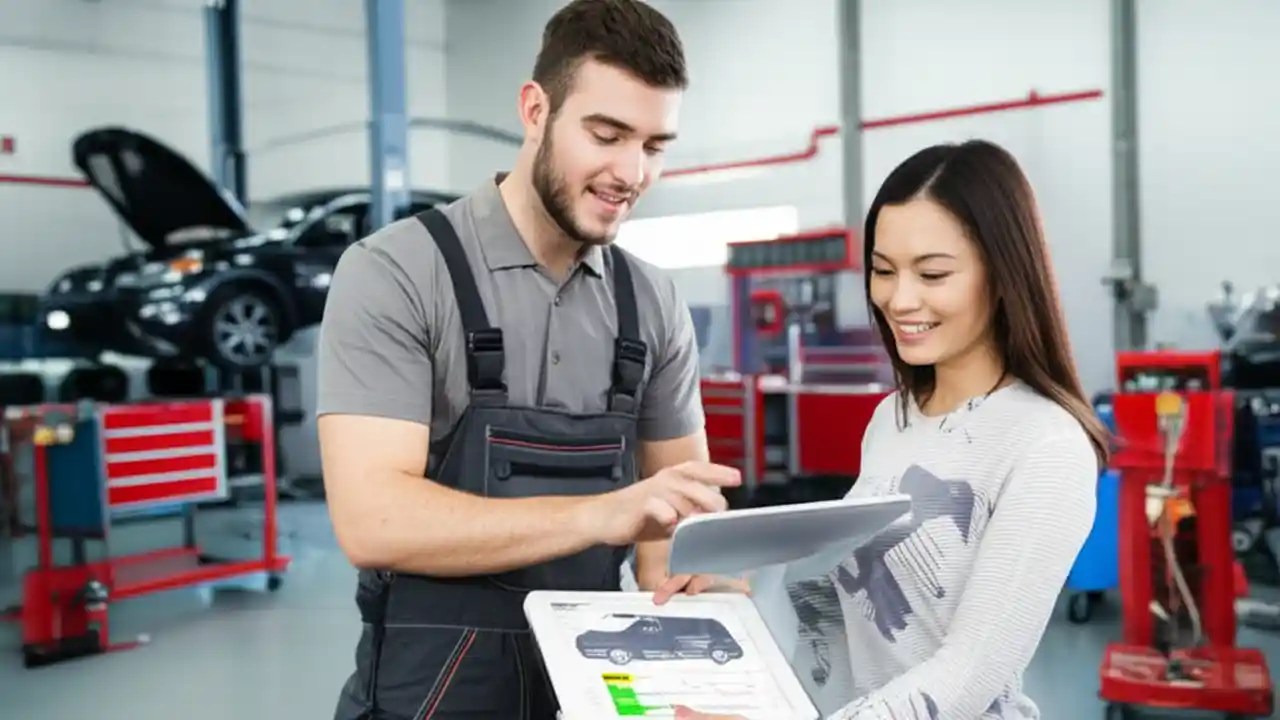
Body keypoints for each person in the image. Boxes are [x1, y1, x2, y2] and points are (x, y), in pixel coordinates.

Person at [316, 1, 747, 718]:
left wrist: (706, 601)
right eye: (606, 135)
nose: (631, 172)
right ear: (535, 110)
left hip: (595, 691)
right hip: (430, 696)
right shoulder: (396, 272)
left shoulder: (653, 302)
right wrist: (599, 515)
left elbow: (670, 536)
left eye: (654, 145)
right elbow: (373, 520)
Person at [673, 141, 1109, 720]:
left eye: (932, 274)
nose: (899, 300)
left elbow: (969, 674)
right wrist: (738, 594)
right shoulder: (893, 418)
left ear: (1004, 274)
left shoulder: (1045, 444)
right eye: (883, 271)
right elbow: (850, 603)